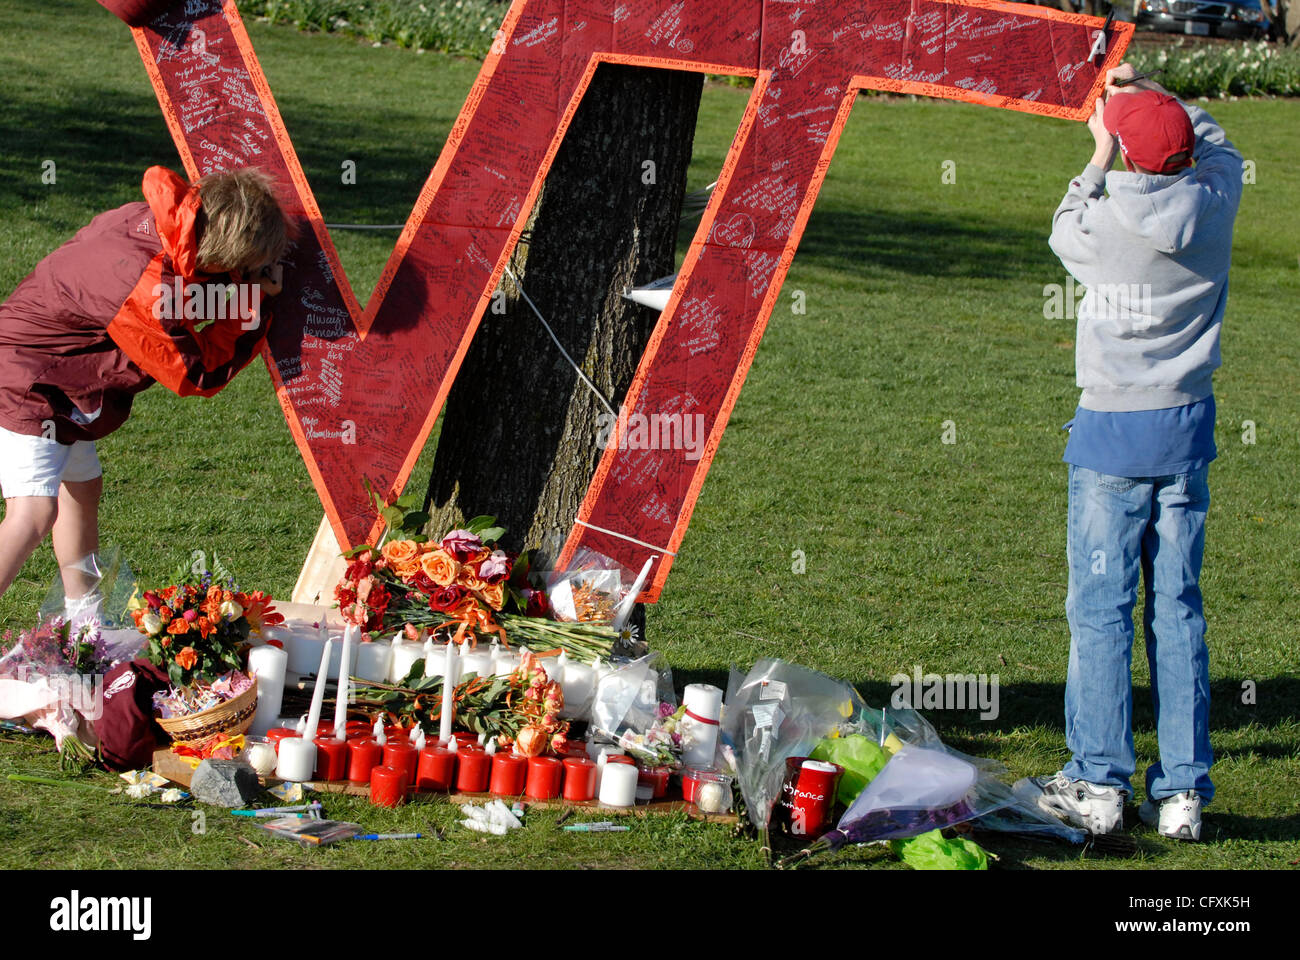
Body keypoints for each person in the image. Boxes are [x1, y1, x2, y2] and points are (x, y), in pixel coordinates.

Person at [1028, 63, 1243, 841]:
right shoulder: (1215, 200)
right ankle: (1181, 793)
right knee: (1177, 612)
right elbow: (1218, 145)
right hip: (1185, 431)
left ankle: (1098, 782)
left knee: (1101, 613)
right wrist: (1157, 96)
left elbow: (1062, 222)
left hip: (1112, 437)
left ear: (1125, 153)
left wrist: (1098, 149)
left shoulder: (1104, 226)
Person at [0, 165, 294, 622]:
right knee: (33, 513)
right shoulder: (145, 284)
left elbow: (192, 286)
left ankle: (84, 622)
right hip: (27, 381)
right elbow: (196, 373)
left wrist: (238, 283)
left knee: (82, 489)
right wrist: (257, 301)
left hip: (64, 379)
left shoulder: (160, 220)